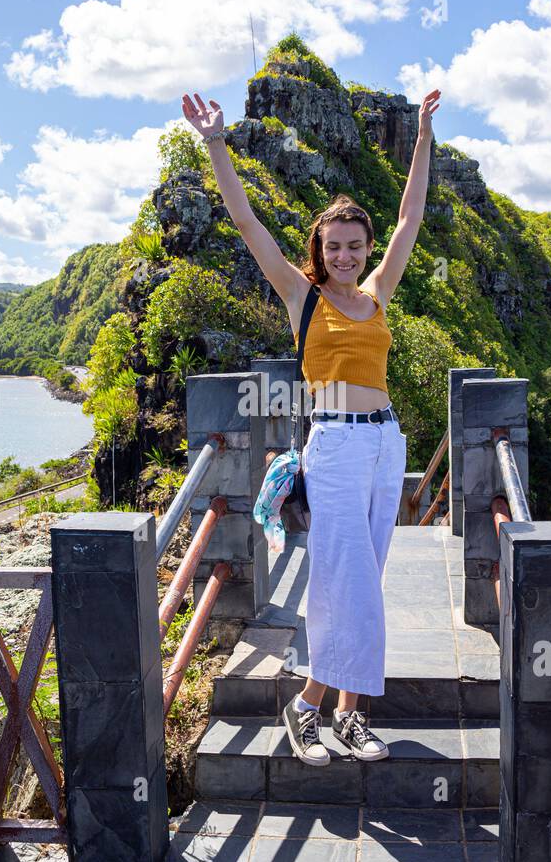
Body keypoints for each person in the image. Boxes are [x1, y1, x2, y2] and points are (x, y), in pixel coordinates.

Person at [181, 84, 441, 765]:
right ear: (319, 251)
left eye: (356, 246)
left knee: (367, 578)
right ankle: (305, 707)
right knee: (341, 580)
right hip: (334, 445)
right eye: (336, 247)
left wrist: (420, 140)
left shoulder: (379, 293)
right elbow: (246, 226)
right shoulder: (302, 295)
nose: (348, 256)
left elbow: (412, 218)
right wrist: (215, 144)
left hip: (386, 443)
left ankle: (348, 716)